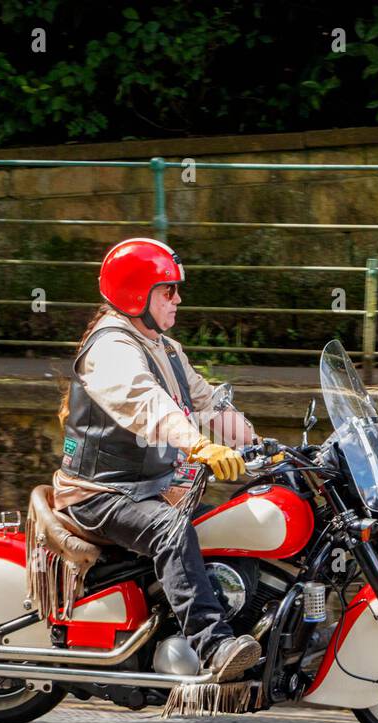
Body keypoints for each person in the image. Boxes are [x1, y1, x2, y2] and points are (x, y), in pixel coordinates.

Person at [53, 237, 260, 680]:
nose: (178, 299)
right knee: (172, 530)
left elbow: (207, 404)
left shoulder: (163, 347)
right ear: (136, 294)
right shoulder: (110, 348)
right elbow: (147, 405)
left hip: (149, 489)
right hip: (100, 493)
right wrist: (199, 446)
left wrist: (265, 448)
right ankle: (215, 646)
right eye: (168, 290)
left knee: (235, 524)